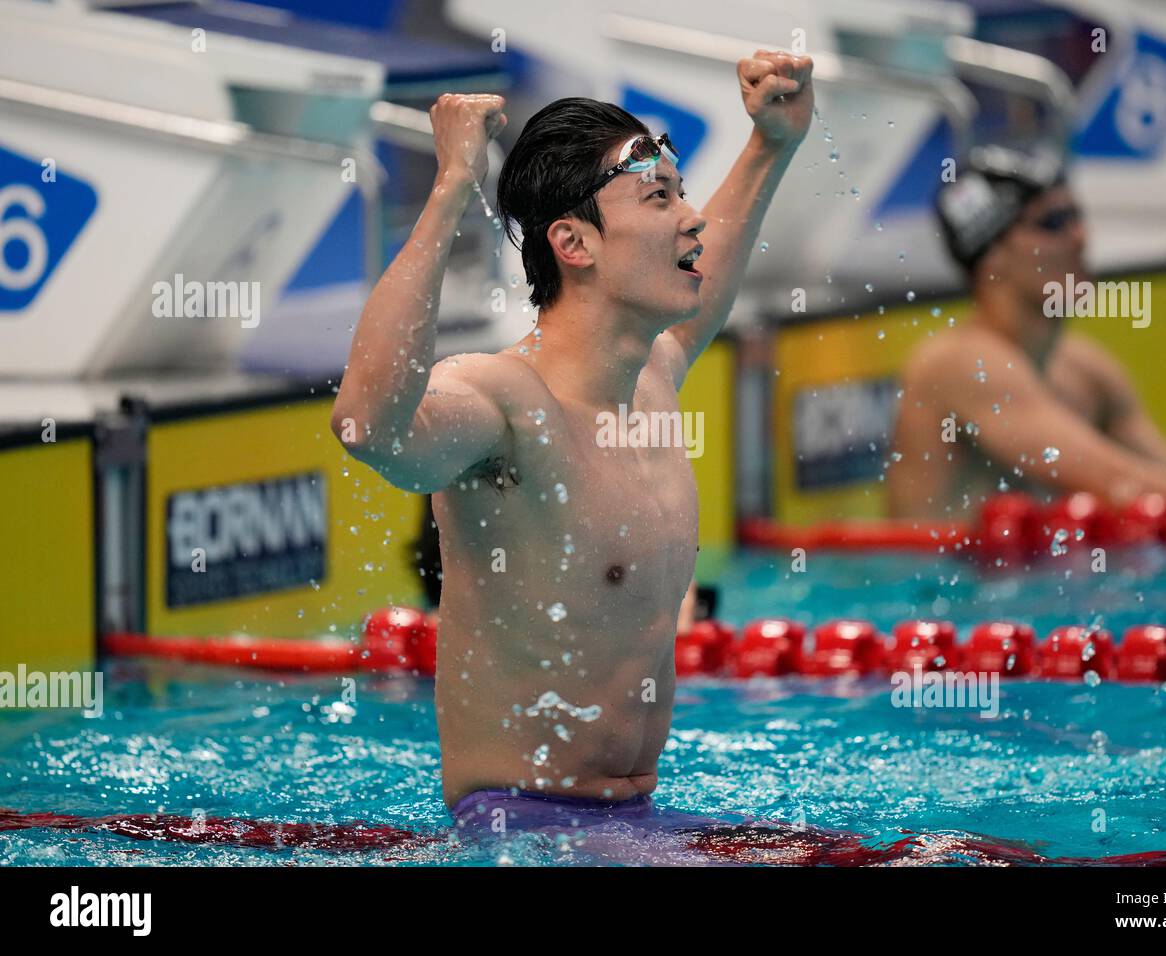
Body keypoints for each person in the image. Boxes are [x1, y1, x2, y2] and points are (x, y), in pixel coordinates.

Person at [331, 53, 813, 831]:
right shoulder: (503, 401)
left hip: (635, 821)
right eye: (660, 199)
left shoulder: (652, 376)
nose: (692, 218)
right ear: (574, 244)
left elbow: (709, 267)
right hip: (526, 830)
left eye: (682, 193)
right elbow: (365, 425)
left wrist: (770, 143)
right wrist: (453, 185)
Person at [888, 145, 1166, 520]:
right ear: (993, 255)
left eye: (1077, 216)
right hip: (936, 578)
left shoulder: (1087, 373)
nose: (1080, 236)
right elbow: (1119, 483)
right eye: (1054, 223)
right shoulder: (960, 364)